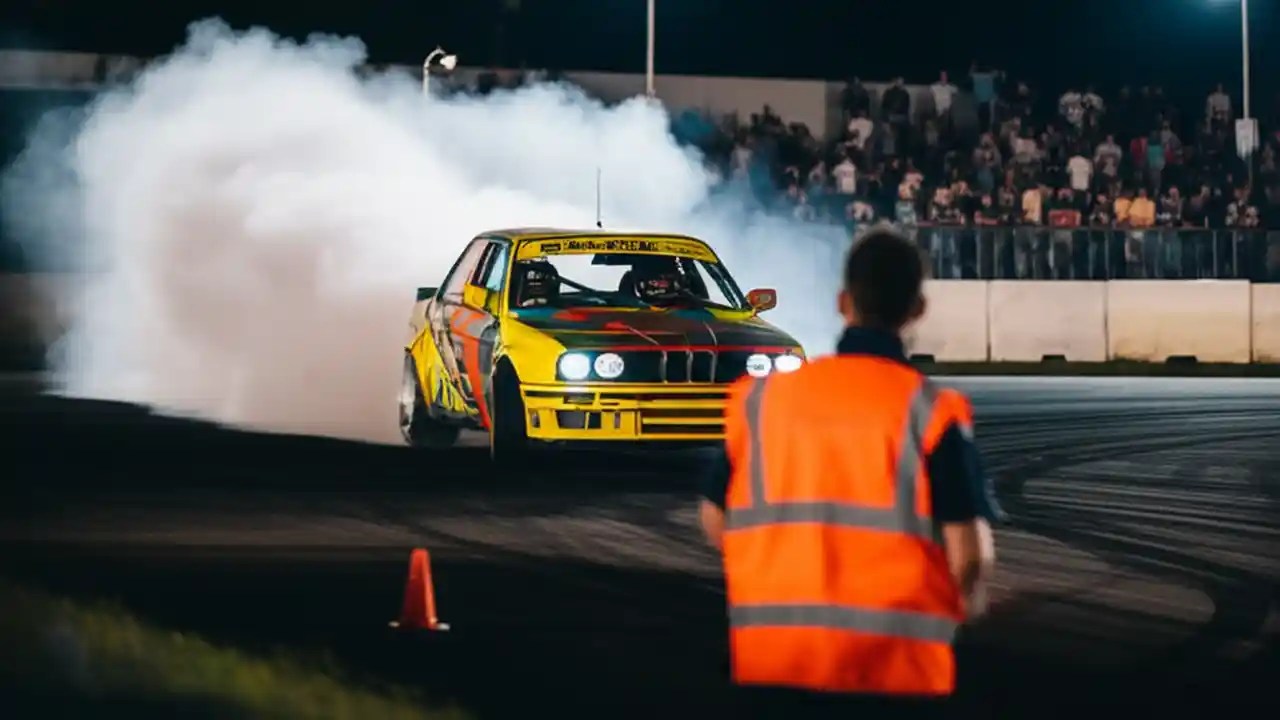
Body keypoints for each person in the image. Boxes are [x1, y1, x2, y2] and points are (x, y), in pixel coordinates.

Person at [698, 225, 1003, 718]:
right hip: (894, 670)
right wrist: (961, 607)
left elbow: (715, 519)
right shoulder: (931, 410)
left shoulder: (761, 400)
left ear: (843, 302)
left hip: (774, 662)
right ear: (917, 310)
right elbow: (968, 554)